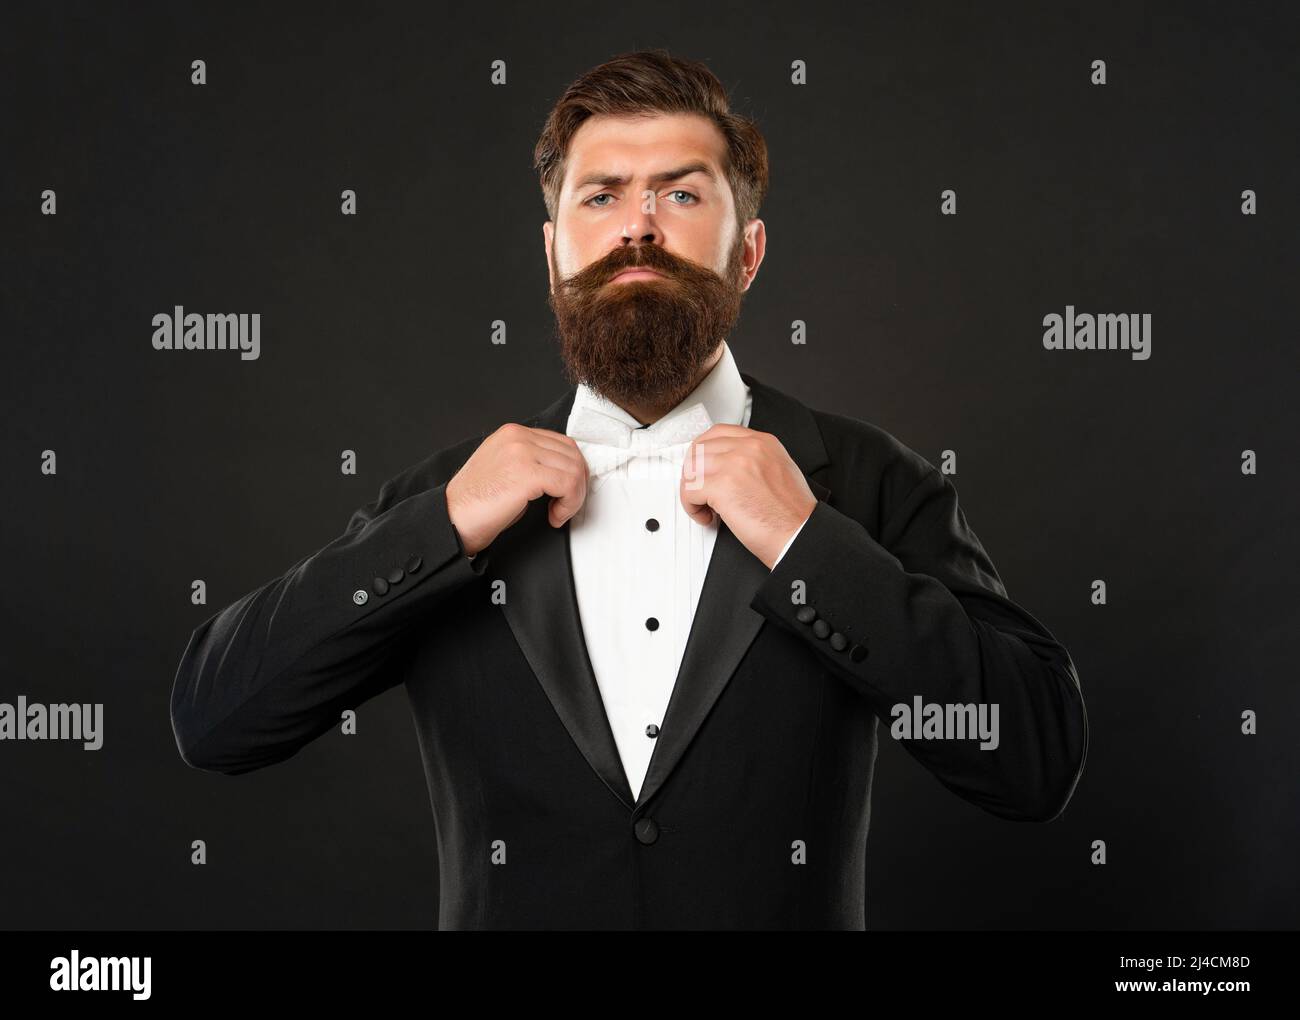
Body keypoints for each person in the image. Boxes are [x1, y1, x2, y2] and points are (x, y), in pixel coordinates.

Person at [170, 49, 1087, 930]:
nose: (637, 225)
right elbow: (218, 721)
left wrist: (808, 543)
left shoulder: (875, 482)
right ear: (552, 249)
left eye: (681, 194)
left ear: (750, 252)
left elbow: (1033, 762)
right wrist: (442, 528)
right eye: (600, 195)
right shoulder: (442, 499)